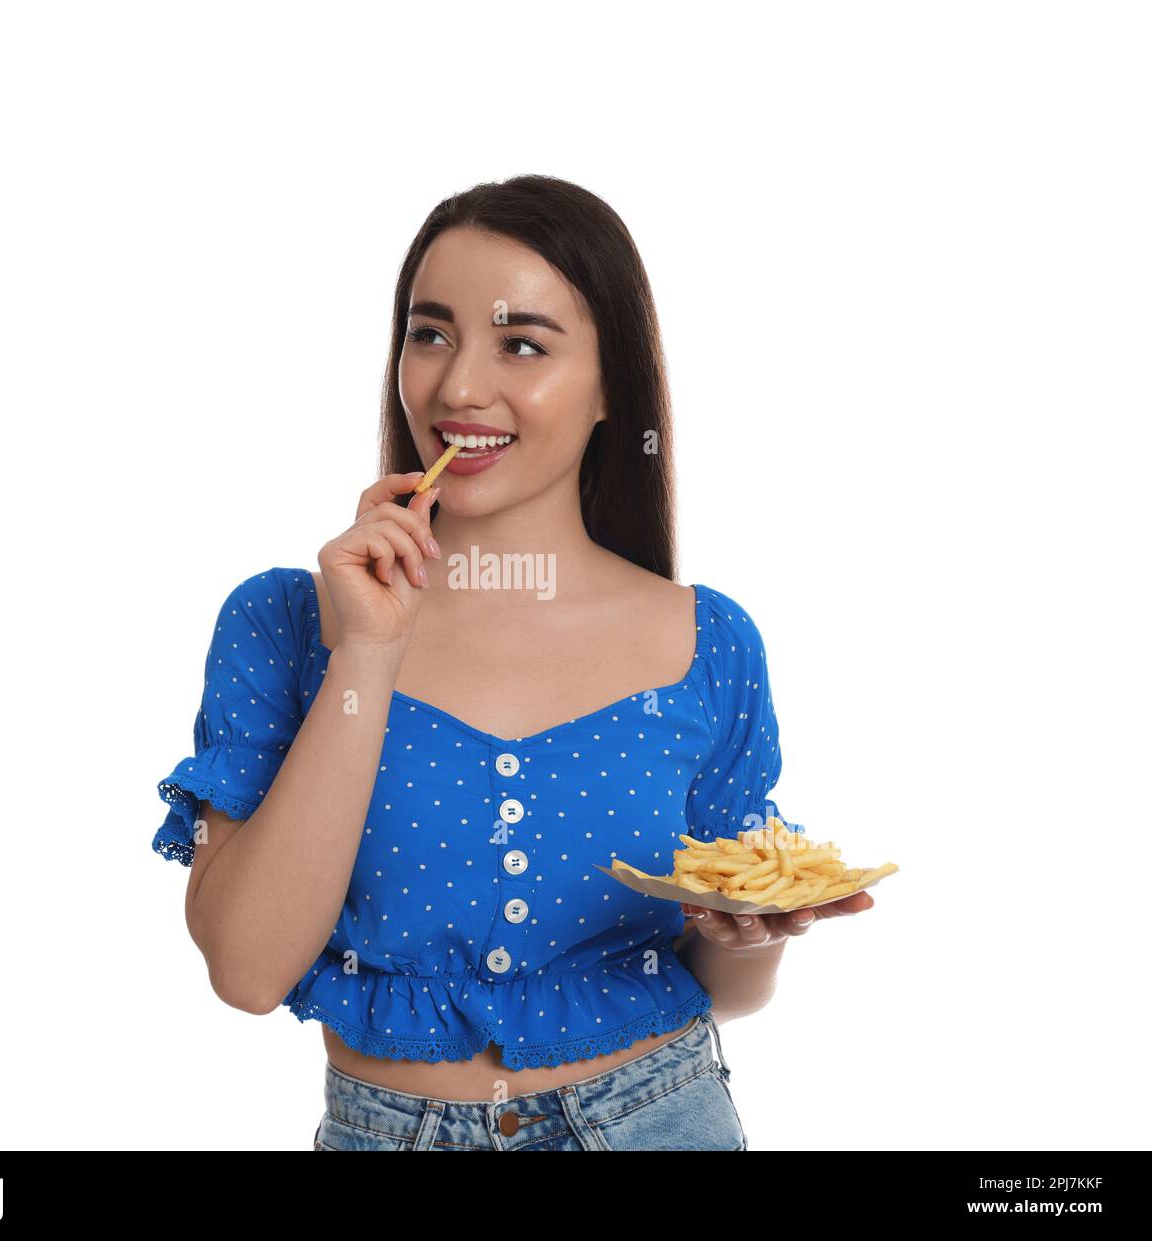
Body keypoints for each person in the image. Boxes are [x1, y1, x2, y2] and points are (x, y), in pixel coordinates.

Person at [152, 174, 874, 1150]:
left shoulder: (706, 641)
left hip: (659, 1119)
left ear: (612, 380)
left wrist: (740, 931)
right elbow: (248, 969)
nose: (456, 387)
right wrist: (368, 647)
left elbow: (730, 993)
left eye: (521, 344)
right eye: (430, 332)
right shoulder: (286, 623)